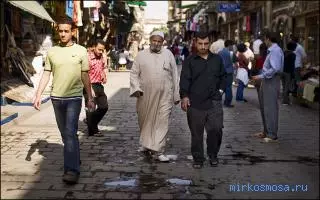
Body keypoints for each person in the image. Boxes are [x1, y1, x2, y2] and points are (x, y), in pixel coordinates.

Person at [33, 17, 95, 184]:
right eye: (60, 31)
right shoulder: (52, 51)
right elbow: (46, 73)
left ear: (72, 32)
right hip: (56, 98)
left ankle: (72, 170)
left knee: (69, 132)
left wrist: (90, 97)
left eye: (66, 31)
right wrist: (38, 95)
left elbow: (85, 75)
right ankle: (74, 158)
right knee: (65, 133)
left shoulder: (81, 50)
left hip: (74, 98)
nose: (63, 34)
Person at [130, 31, 180, 162]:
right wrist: (136, 88)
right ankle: (147, 144)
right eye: (154, 41)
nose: (156, 44)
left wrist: (176, 95)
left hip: (165, 96)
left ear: (162, 42)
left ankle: (159, 150)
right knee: (145, 121)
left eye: (159, 41)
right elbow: (134, 74)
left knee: (163, 121)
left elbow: (175, 75)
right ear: (150, 40)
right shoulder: (141, 56)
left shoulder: (168, 55)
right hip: (145, 95)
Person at [179, 32, 226, 169]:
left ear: (209, 43)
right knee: (197, 133)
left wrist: (221, 91)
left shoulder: (217, 60)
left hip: (214, 102)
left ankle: (213, 155)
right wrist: (184, 96)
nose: (203, 47)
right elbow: (184, 80)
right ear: (195, 43)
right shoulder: (189, 61)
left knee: (216, 130)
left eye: (206, 44)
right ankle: (198, 158)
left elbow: (224, 77)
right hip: (195, 103)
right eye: (200, 44)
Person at [252, 31, 284, 143]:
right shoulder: (272, 50)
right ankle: (266, 131)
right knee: (264, 106)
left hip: (271, 80)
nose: (264, 42)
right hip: (266, 80)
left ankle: (272, 134)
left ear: (268, 39)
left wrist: (261, 76)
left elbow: (275, 68)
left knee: (270, 107)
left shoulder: (275, 51)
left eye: (265, 39)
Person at [83, 39, 109, 136]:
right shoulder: (87, 58)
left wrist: (104, 75)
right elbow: (85, 74)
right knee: (91, 108)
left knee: (104, 107)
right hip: (88, 85)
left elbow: (102, 67)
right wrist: (90, 89)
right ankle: (93, 131)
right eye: (99, 49)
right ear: (94, 47)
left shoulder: (102, 56)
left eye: (102, 50)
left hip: (98, 84)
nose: (101, 52)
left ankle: (90, 122)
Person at [218, 40, 235, 107]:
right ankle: (227, 102)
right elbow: (235, 60)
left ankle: (217, 98)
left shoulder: (219, 52)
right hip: (228, 72)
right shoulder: (231, 53)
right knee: (228, 87)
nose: (232, 47)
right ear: (230, 45)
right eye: (232, 46)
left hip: (221, 72)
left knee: (221, 86)